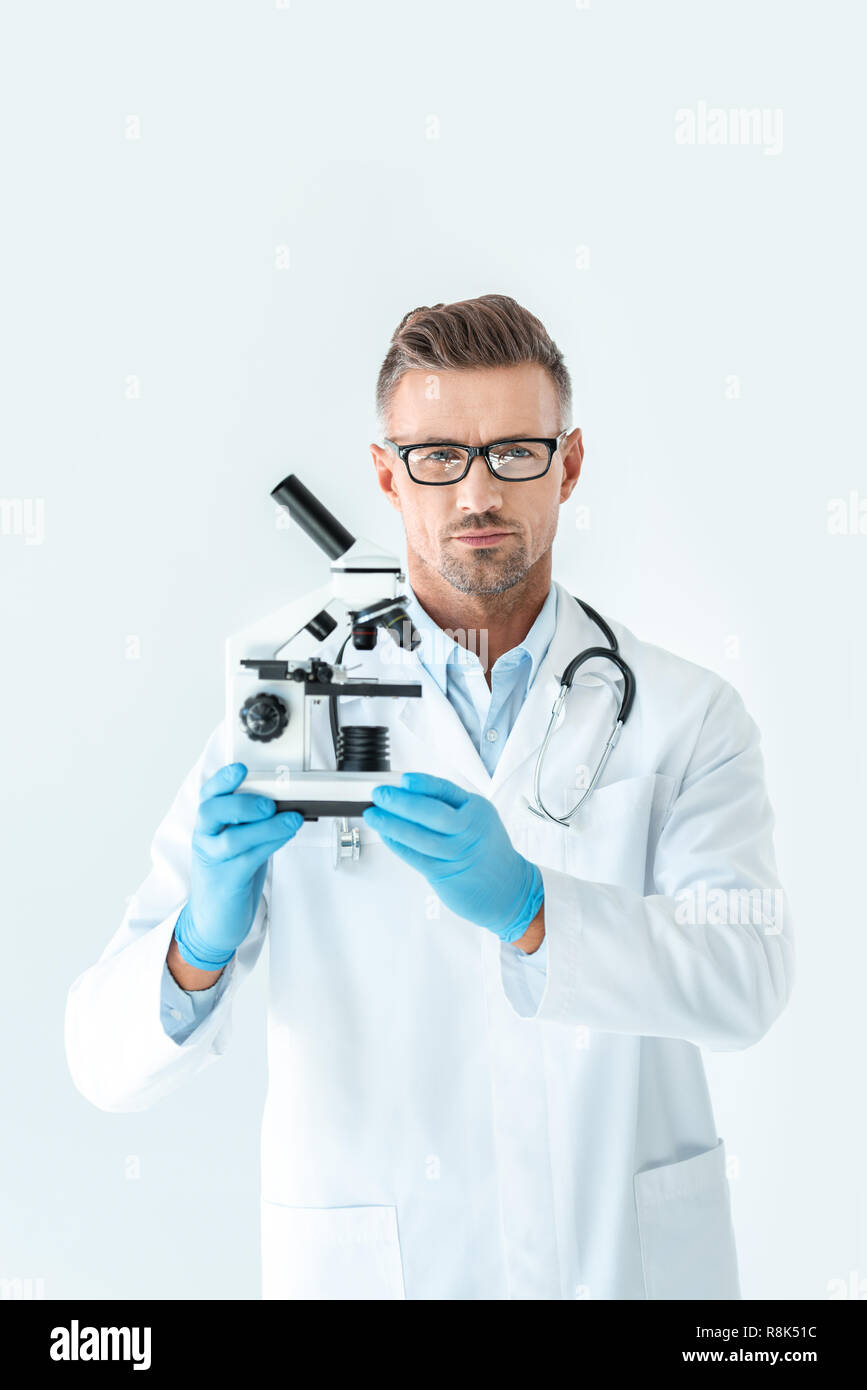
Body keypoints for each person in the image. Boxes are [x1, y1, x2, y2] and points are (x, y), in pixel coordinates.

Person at [65, 293, 794, 1300]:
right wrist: (197, 939)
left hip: (618, 1266)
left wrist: (540, 913)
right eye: (439, 457)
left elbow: (746, 978)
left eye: (515, 453)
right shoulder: (283, 707)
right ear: (387, 476)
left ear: (569, 465)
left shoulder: (685, 717)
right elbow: (102, 1064)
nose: (476, 493)